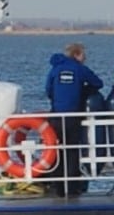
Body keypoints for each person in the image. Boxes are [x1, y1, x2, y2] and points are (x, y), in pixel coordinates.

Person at [42, 42, 106, 197]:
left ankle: (57, 187)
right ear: (77, 54)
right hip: (73, 116)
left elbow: (48, 89)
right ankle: (71, 188)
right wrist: (83, 91)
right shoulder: (79, 69)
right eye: (84, 55)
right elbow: (98, 83)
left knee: (57, 151)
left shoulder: (55, 69)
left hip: (56, 116)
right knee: (72, 151)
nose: (85, 58)